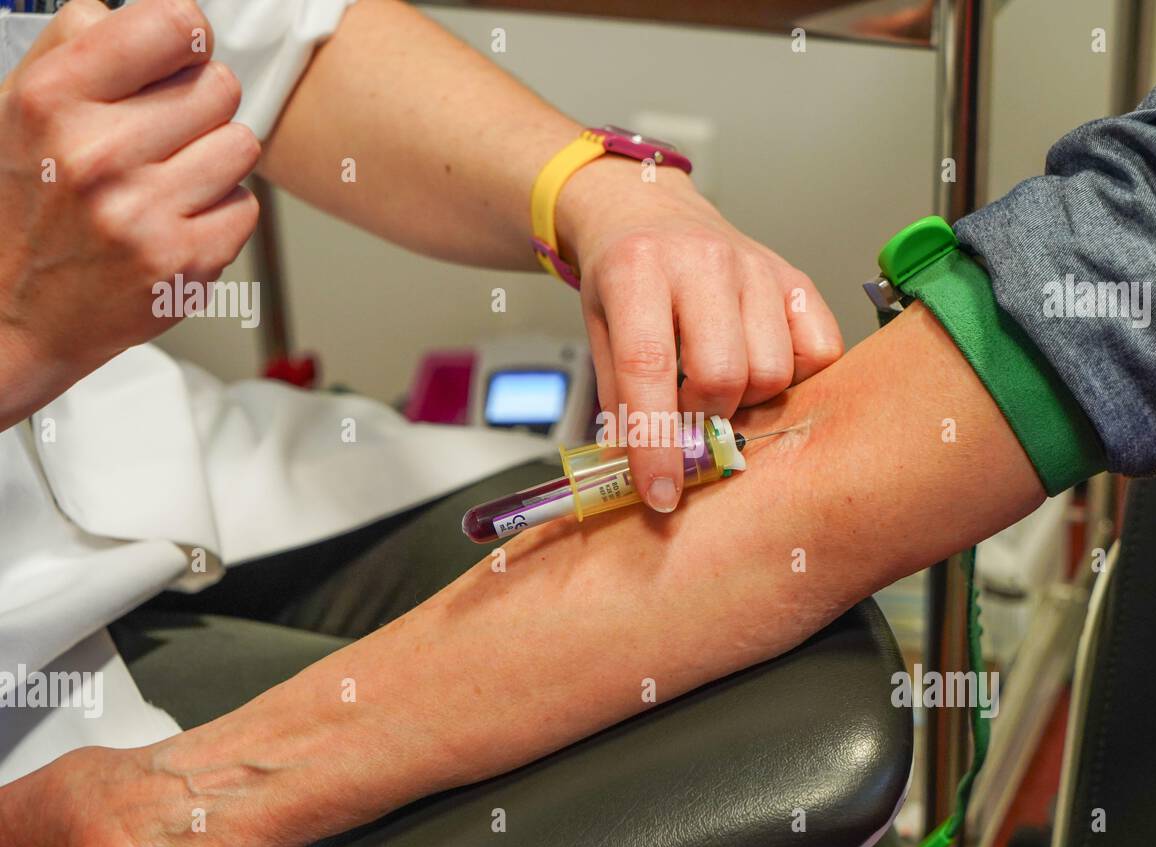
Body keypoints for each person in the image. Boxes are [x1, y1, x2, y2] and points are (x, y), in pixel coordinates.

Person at [0, 0, 842, 791]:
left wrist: (606, 190)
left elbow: (266, 37)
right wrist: (17, 330)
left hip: (160, 447)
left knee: (774, 679)